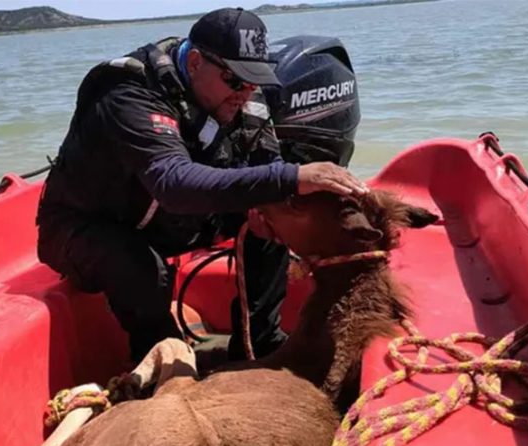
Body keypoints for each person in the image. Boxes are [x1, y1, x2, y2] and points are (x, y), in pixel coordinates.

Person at [36, 7, 367, 363]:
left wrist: (275, 207)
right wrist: (292, 176)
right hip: (82, 228)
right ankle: (162, 363)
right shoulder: (129, 96)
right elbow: (174, 183)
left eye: (255, 81)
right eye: (236, 80)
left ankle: (259, 340)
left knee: (270, 210)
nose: (246, 92)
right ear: (195, 62)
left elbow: (264, 167)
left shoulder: (238, 96)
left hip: (163, 219)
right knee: (140, 268)